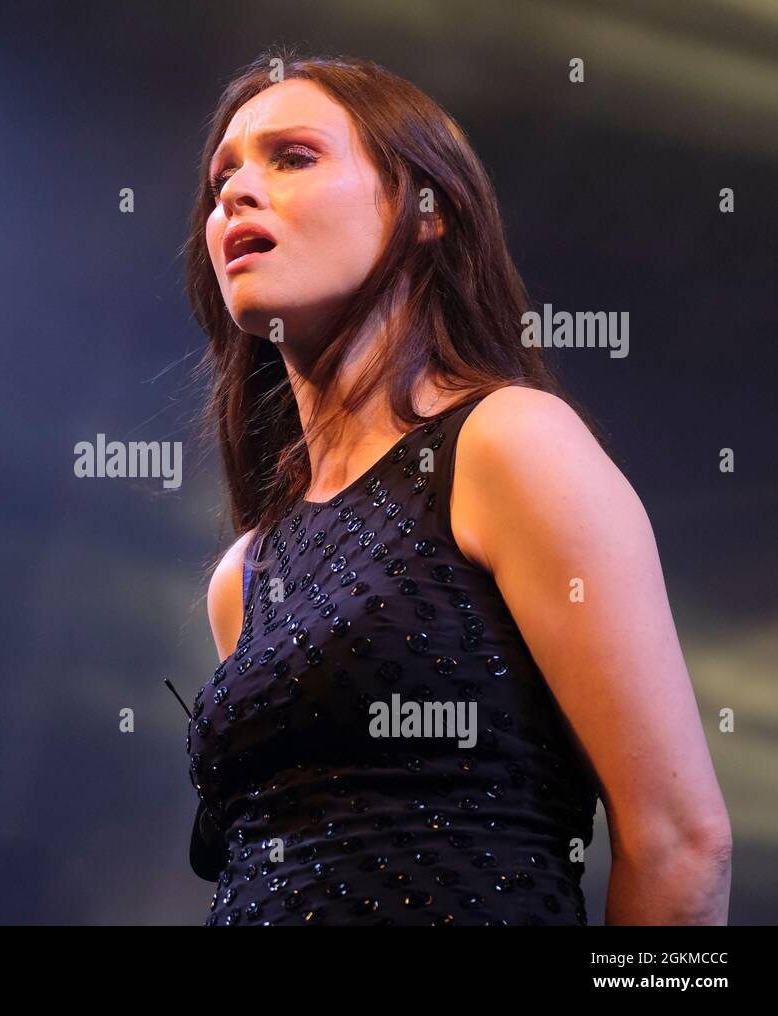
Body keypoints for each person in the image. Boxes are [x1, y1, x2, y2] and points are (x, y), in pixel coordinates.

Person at [181, 49, 731, 926]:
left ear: (425, 209)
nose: (236, 194)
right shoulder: (243, 577)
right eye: (222, 180)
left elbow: (680, 841)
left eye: (293, 157)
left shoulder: (509, 441)